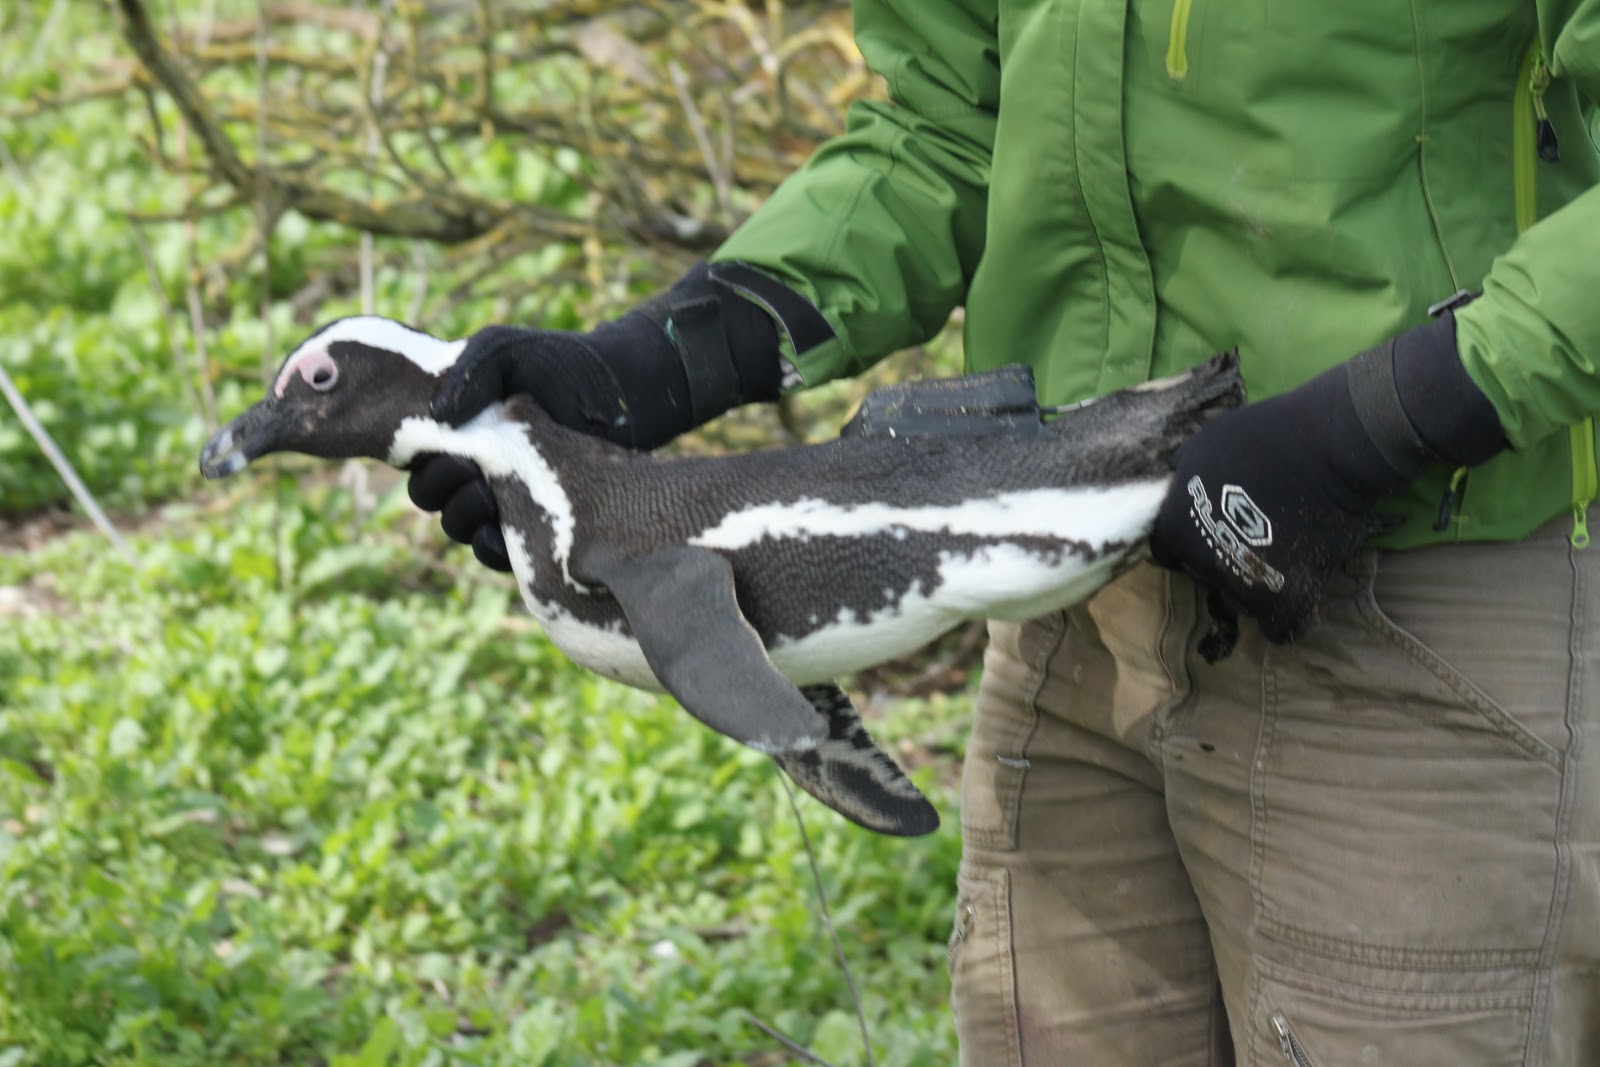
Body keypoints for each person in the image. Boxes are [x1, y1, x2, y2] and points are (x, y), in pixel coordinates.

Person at [407, 2, 1600, 1062]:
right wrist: (658, 360)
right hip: (1074, 615)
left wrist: (1387, 417)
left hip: (1413, 621)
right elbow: (946, 129)